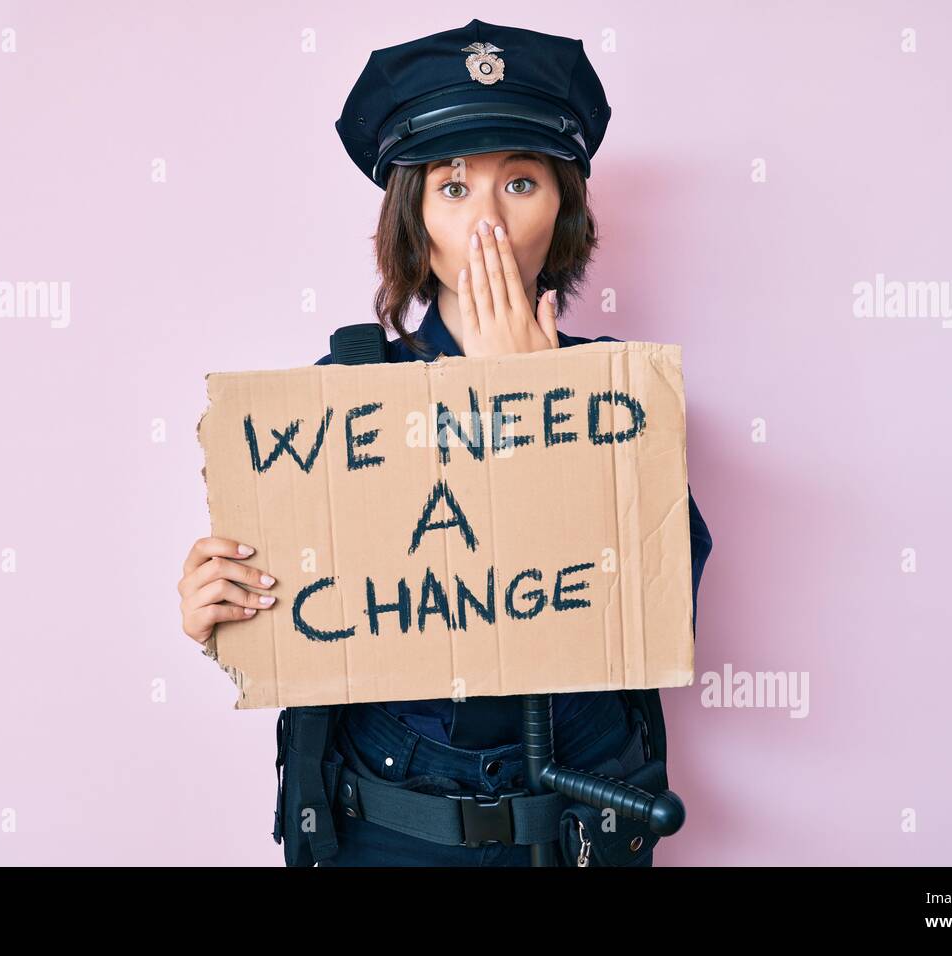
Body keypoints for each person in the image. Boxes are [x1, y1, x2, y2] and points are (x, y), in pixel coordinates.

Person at [176, 18, 713, 866]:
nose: (488, 222)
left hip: (575, 807)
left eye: (523, 183)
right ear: (414, 217)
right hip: (391, 818)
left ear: (563, 210)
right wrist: (224, 608)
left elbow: (664, 598)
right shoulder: (340, 395)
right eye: (454, 189)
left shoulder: (623, 393)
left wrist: (537, 403)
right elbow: (315, 611)